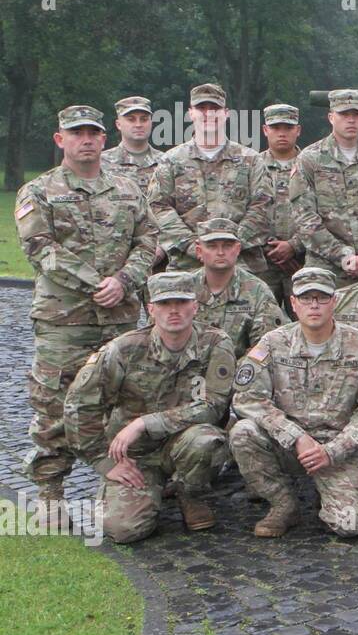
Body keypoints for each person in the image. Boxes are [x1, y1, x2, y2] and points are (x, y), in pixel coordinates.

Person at [15, 105, 157, 514]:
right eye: (77, 133)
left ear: (104, 138)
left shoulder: (127, 189)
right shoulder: (39, 191)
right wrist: (97, 284)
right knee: (54, 404)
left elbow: (148, 240)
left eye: (93, 133)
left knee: (125, 399)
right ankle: (51, 493)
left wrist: (124, 281)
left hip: (120, 317)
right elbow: (41, 248)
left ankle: (120, 485)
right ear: (60, 139)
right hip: (65, 320)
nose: (86, 140)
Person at [63, 272, 235, 543]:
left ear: (195, 306)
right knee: (124, 530)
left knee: (207, 441)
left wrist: (145, 422)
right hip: (136, 455)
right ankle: (141, 491)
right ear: (151, 309)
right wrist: (104, 462)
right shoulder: (123, 350)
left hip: (185, 444)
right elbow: (79, 405)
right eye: (165, 303)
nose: (174, 310)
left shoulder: (215, 343)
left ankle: (190, 493)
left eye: (181, 302)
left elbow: (214, 405)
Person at [229, 267, 358, 538]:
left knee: (350, 526)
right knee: (243, 433)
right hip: (288, 444)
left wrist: (332, 451)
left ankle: (330, 494)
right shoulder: (273, 343)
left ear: (334, 301)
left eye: (322, 297)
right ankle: (284, 504)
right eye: (306, 298)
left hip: (338, 448)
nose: (314, 305)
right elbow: (248, 398)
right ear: (293, 303)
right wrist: (296, 437)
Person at [148, 83, 273, 278]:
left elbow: (263, 207)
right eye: (201, 108)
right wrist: (193, 247)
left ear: (226, 114)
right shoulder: (171, 161)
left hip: (242, 268)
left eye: (215, 108)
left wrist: (229, 246)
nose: (208, 114)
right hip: (187, 267)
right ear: (190, 113)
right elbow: (158, 208)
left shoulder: (251, 160)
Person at [289, 88, 358, 285]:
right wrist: (343, 255)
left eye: (356, 114)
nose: (351, 120)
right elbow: (305, 218)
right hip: (324, 267)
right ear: (331, 117)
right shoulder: (310, 159)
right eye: (344, 114)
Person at [191, 217, 287, 357]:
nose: (220, 252)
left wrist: (244, 367)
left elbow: (268, 347)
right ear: (199, 251)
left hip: (240, 368)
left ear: (237, 249)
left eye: (227, 246)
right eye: (212, 246)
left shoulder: (257, 291)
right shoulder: (185, 288)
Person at [254, 103, 305, 304]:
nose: (282, 133)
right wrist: (269, 247)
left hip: (303, 261)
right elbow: (242, 209)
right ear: (265, 130)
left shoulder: (311, 165)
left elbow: (326, 211)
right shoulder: (251, 166)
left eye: (288, 128)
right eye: (275, 128)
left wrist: (294, 245)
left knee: (307, 317)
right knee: (261, 316)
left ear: (298, 130)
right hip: (260, 261)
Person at [100, 96, 164, 195]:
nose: (138, 125)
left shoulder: (166, 161)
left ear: (151, 123)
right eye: (131, 120)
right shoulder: (101, 163)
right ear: (118, 124)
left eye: (144, 119)